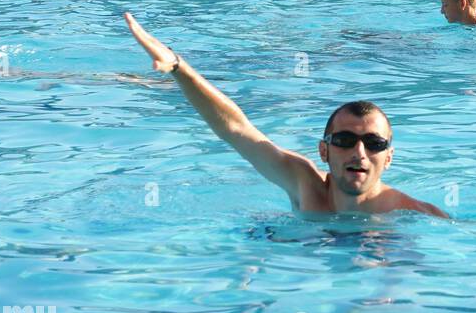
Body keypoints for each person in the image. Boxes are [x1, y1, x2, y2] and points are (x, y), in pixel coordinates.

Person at [122, 12, 447, 217]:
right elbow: (238, 130)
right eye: (345, 140)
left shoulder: (411, 213)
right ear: (324, 150)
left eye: (374, 143)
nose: (359, 152)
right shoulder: (304, 183)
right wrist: (180, 68)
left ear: (388, 157)